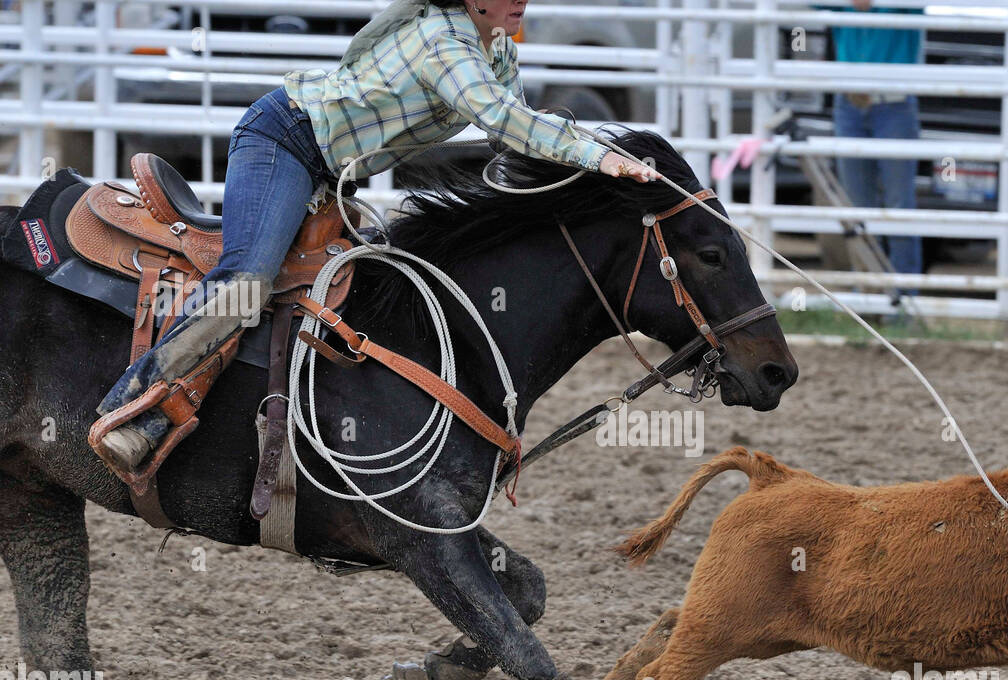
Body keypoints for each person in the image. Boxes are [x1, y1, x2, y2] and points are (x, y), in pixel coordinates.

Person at [93, 0, 659, 475]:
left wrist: (581, 180)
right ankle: (130, 405)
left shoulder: (497, 48)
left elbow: (512, 132)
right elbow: (504, 120)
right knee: (247, 277)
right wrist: (598, 155)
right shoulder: (445, 42)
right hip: (285, 142)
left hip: (325, 167)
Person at [825, 0, 924, 285]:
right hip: (850, 104)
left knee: (899, 205)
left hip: (893, 103)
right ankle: (868, 291)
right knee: (857, 207)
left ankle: (903, 296)